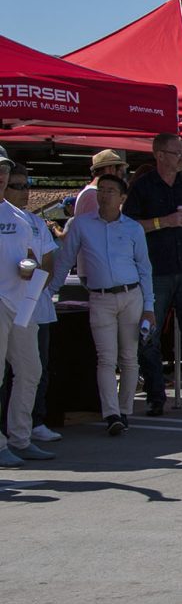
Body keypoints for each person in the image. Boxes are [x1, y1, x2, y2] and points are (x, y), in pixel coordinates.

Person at [50, 174, 156, 434]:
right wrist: (50, 292)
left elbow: (144, 268)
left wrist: (150, 307)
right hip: (99, 297)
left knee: (129, 357)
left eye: (111, 191)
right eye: (102, 190)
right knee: (106, 358)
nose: (104, 195)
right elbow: (65, 260)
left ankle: (125, 410)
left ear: (122, 198)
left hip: (132, 295)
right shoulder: (81, 224)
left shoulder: (132, 228)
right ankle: (111, 414)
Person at [124, 133, 182, 416]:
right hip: (154, 272)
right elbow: (131, 226)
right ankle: (155, 396)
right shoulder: (142, 187)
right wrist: (165, 222)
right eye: (178, 153)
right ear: (160, 155)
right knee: (149, 336)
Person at [0, 150, 54, 467]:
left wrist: (29, 266)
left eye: (5, 170)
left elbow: (37, 258)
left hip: (22, 306)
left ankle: (20, 438)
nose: (3, 176)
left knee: (30, 371)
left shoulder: (20, 218)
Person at [72, 149, 127, 217]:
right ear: (111, 169)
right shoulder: (93, 195)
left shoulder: (90, 193)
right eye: (119, 170)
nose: (120, 175)